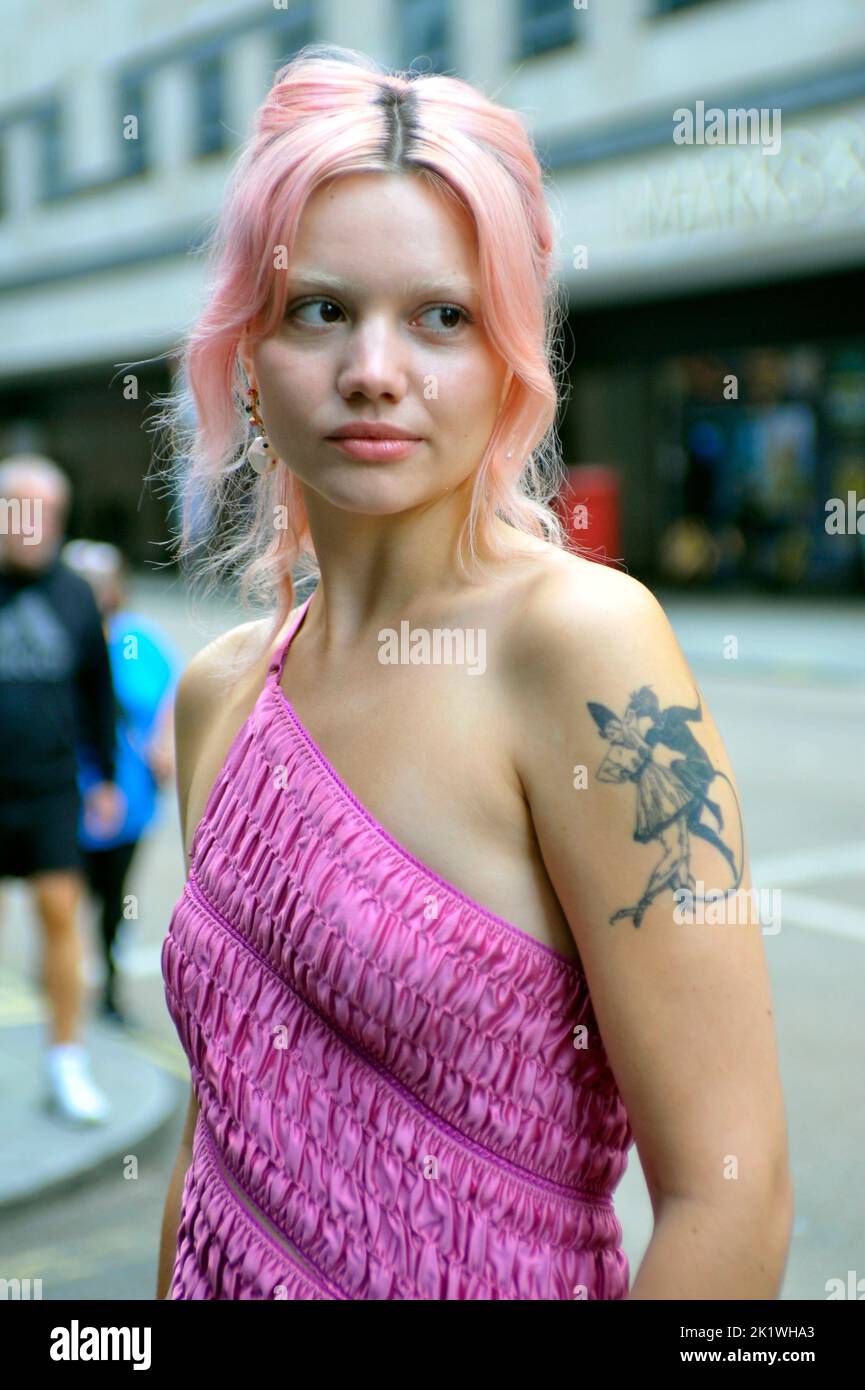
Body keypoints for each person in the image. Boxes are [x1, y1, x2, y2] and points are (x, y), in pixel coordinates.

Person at [155, 44, 792, 1300]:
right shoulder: (221, 688)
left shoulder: (583, 649)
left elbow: (735, 1199)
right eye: (319, 309)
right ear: (245, 345)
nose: (374, 369)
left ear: (507, 355)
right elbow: (222, 1130)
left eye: (440, 316)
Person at [0, 454, 125, 1123]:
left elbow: (98, 692)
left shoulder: (75, 594)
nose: (37, 525)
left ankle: (66, 1061)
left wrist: (104, 776)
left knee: (59, 916)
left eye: (50, 512)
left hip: (49, 788)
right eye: (24, 509)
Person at [61, 540, 180, 1027]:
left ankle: (108, 987)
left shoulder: (137, 640)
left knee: (115, 897)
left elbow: (173, 693)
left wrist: (166, 744)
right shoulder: (57, 635)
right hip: (68, 795)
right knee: (64, 896)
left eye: (101, 582)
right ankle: (61, 981)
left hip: (130, 796)